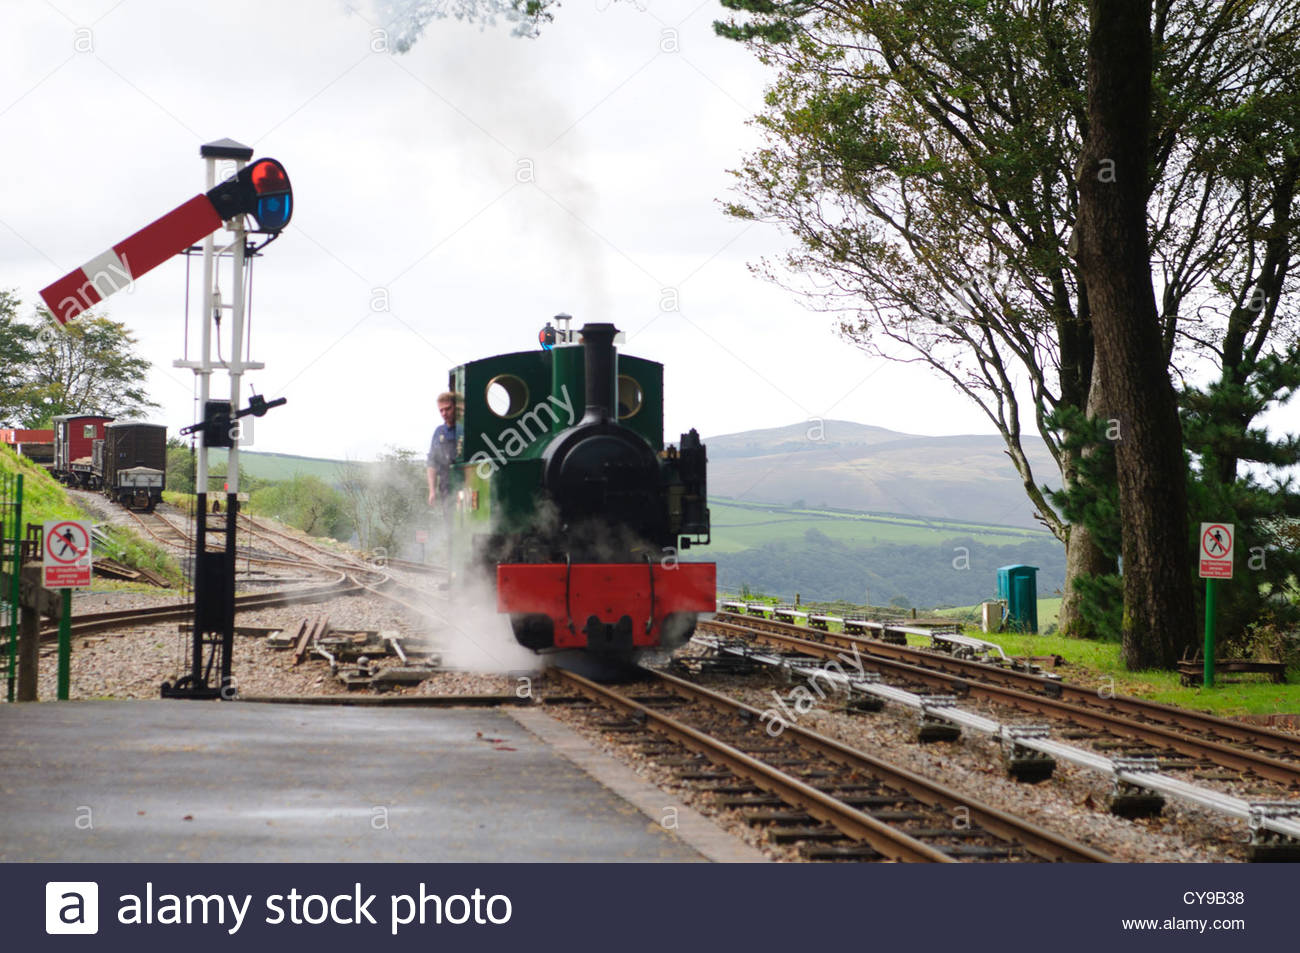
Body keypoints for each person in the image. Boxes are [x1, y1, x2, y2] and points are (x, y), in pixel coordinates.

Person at [426, 391, 461, 506]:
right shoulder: (439, 432)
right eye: (441, 410)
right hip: (446, 486)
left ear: (456, 407)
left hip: (464, 483)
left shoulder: (463, 430)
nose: (444, 413)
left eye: (448, 409)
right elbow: (432, 463)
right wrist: (432, 491)